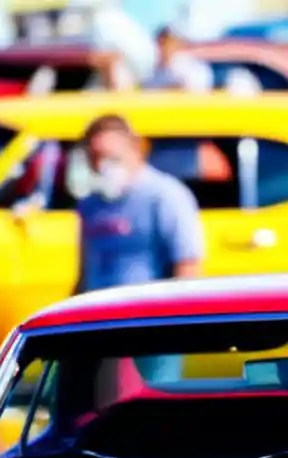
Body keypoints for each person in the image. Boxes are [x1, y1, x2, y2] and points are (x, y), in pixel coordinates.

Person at [74, 115, 205, 381]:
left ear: (134, 150)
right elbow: (85, 272)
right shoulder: (90, 205)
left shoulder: (165, 196)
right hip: (100, 328)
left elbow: (188, 265)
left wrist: (173, 326)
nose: (101, 165)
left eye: (110, 157)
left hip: (151, 328)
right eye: (94, 157)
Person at [143, 26, 215, 92]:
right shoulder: (150, 69)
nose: (164, 47)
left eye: (167, 42)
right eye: (160, 43)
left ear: (177, 44)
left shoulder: (193, 66)